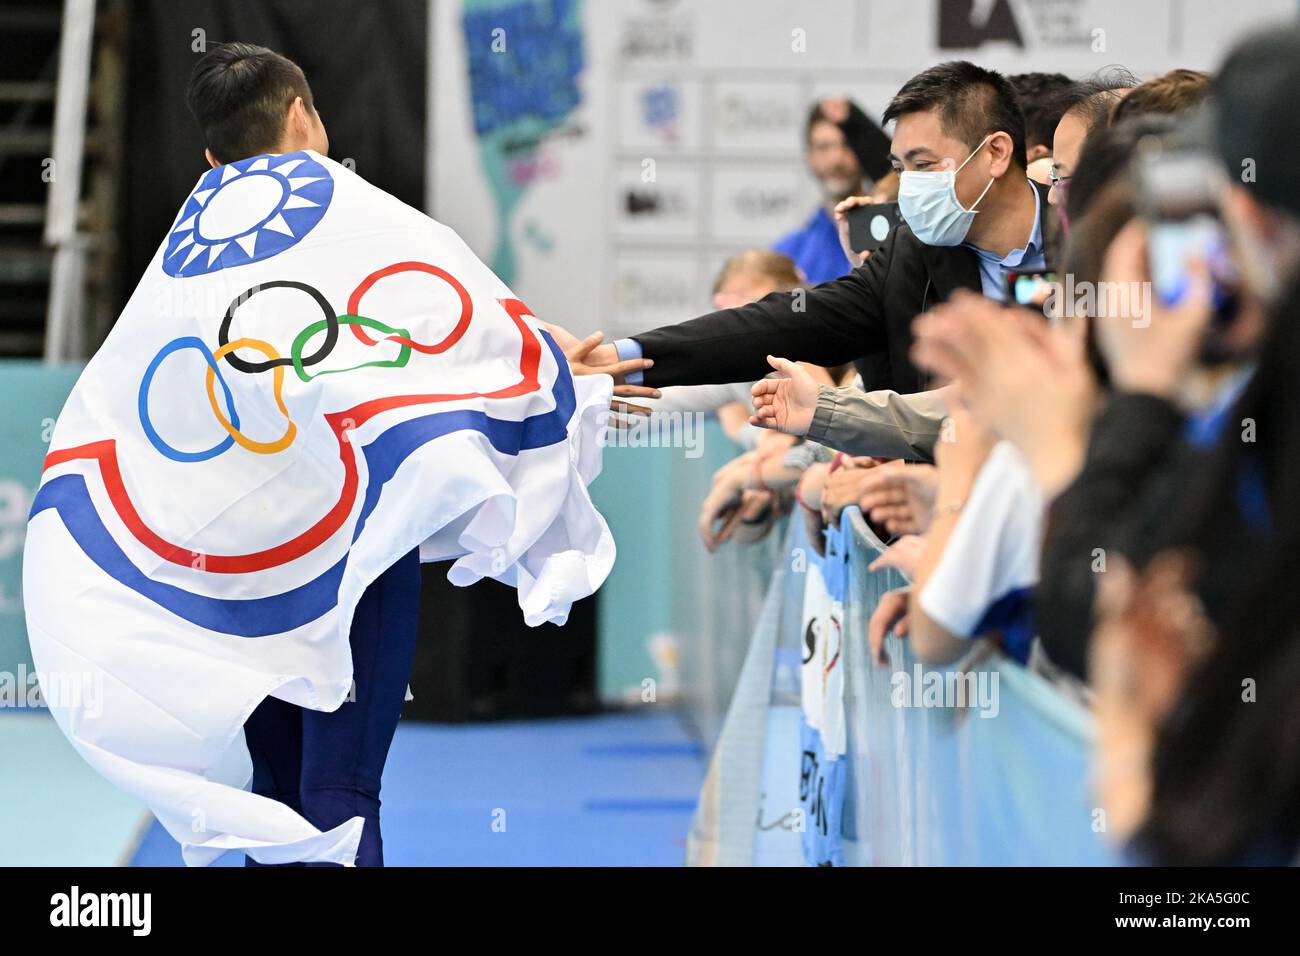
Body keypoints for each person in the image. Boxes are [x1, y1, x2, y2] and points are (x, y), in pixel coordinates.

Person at [563, 61, 1058, 396]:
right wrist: (627, 354)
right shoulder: (911, 253)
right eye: (899, 166)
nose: (909, 187)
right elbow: (786, 322)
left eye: (924, 165)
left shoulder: (1088, 242)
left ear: (995, 153)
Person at [774, 98, 893, 285]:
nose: (836, 159)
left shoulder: (896, 235)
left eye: (846, 145)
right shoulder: (789, 254)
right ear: (809, 156)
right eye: (824, 147)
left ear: (864, 149)